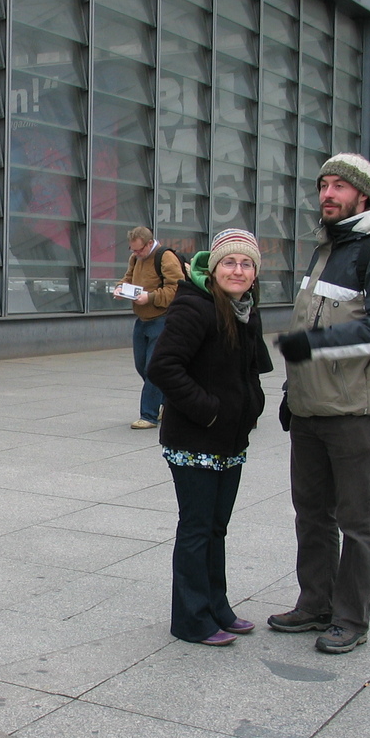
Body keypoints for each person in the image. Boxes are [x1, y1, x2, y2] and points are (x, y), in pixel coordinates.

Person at [270, 153, 370, 654]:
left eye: (339, 187)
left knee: (356, 520)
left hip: (356, 412)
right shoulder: (325, 248)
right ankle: (315, 603)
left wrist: (311, 349)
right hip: (310, 410)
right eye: (323, 185)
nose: (327, 194)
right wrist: (292, 392)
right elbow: (310, 320)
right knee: (310, 512)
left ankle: (351, 617)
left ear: (362, 195)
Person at [148, 229, 272, 646]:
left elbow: (252, 369)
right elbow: (164, 367)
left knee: (217, 527)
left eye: (246, 263)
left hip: (230, 441)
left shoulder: (245, 309)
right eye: (230, 262)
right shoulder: (194, 307)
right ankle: (190, 619)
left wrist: (251, 406)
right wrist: (210, 410)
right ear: (213, 267)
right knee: (197, 527)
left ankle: (216, 606)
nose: (238, 270)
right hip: (194, 441)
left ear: (255, 273)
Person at [115, 226, 183, 429]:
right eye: (132, 250)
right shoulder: (135, 259)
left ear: (149, 243)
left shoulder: (165, 257)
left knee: (153, 368)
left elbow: (176, 288)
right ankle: (168, 403)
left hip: (162, 319)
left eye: (139, 250)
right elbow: (129, 277)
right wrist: (120, 287)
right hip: (142, 319)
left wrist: (151, 297)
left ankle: (149, 415)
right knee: (141, 365)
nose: (136, 253)